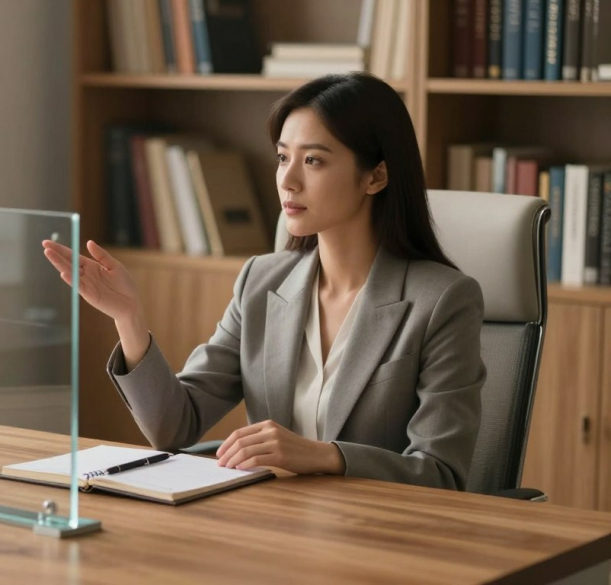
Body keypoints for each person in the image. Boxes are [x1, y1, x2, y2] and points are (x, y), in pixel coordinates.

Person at [42, 72, 485, 491]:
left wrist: (324, 456)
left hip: (378, 538)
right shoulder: (261, 281)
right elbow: (174, 426)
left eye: (313, 160)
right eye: (282, 157)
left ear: (376, 176)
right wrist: (129, 318)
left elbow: (440, 473)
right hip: (272, 523)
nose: (287, 180)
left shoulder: (443, 299)